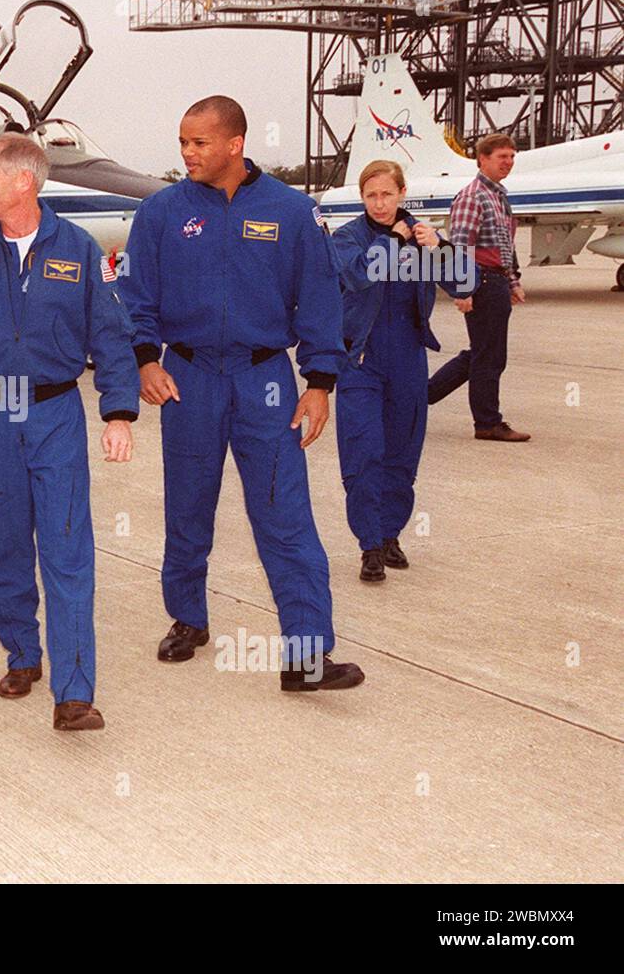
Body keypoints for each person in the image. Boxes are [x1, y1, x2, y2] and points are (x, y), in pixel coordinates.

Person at [119, 96, 363, 691]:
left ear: (235, 144)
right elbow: (133, 294)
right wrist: (146, 360)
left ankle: (307, 656)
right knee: (188, 505)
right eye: (182, 141)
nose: (187, 153)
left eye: (199, 143)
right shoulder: (160, 213)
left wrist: (321, 382)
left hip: (266, 381)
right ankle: (188, 618)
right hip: (189, 378)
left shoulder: (291, 211)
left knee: (285, 514)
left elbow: (321, 299)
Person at [0, 133, 139, 730]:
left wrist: (118, 413)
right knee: (2, 544)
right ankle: (21, 652)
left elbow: (110, 338)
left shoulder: (80, 250)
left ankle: (74, 692)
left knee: (67, 550)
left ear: (23, 182)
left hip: (55, 413)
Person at [330, 160, 475, 582]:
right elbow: (359, 276)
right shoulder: (348, 238)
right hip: (361, 361)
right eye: (371, 195)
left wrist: (440, 249)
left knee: (402, 454)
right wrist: (395, 239)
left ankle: (391, 534)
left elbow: (466, 285)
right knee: (363, 453)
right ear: (362, 197)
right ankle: (370, 546)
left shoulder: (422, 239)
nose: (379, 203)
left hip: (408, 358)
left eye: (387, 195)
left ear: (401, 193)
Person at [426, 133, 531, 441]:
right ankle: (487, 423)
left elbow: (504, 245)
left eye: (512, 157)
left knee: (483, 353)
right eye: (502, 157)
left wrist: (513, 281)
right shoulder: (472, 197)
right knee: (489, 356)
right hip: (481, 280)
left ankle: (419, 397)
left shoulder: (498, 196)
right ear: (482, 159)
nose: (508, 163)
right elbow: (461, 247)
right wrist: (464, 289)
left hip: (495, 281)